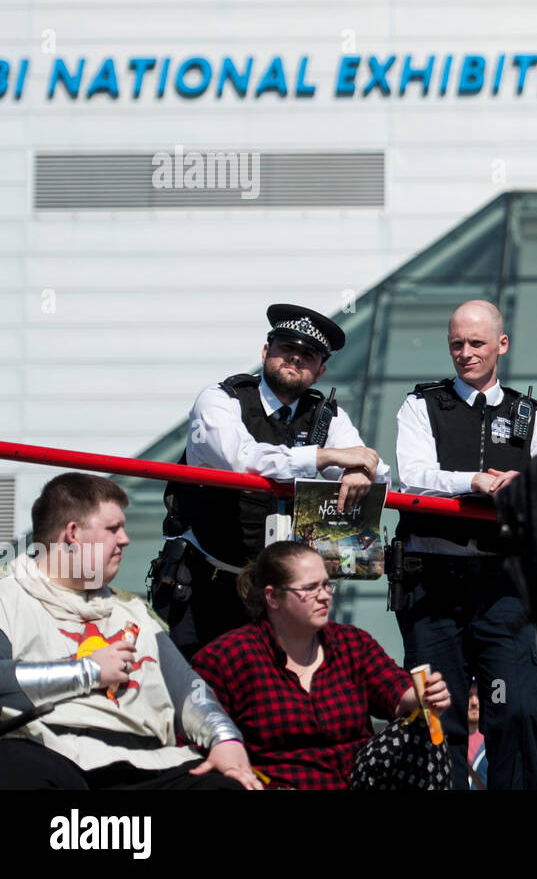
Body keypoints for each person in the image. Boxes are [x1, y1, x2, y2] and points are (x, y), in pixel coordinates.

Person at [151, 303, 388, 658]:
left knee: (269, 704)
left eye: (307, 355)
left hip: (279, 596)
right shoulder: (220, 399)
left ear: (319, 371)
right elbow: (238, 459)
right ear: (266, 352)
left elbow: (375, 469)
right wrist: (324, 457)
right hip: (204, 585)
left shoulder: (327, 417)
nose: (295, 359)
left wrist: (358, 471)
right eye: (286, 349)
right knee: (193, 697)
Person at [393, 299, 537, 790]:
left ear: (501, 345)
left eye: (476, 343)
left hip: (504, 587)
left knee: (516, 710)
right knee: (436, 720)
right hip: (430, 586)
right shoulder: (420, 404)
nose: (464, 353)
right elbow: (415, 475)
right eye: (456, 344)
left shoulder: (529, 413)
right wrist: (476, 482)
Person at [0, 473, 259, 790]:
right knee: (20, 770)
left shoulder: (130, 609)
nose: (125, 539)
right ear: (72, 534)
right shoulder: (7, 597)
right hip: (53, 752)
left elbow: (186, 688)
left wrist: (224, 738)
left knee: (224, 787)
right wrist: (88, 671)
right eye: (112, 529)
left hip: (149, 762)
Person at [190, 541, 450, 790]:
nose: (324, 596)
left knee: (425, 730)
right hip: (276, 785)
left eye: (327, 586)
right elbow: (192, 736)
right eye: (310, 588)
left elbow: (394, 689)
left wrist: (422, 695)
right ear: (272, 597)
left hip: (357, 782)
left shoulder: (351, 643)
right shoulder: (226, 658)